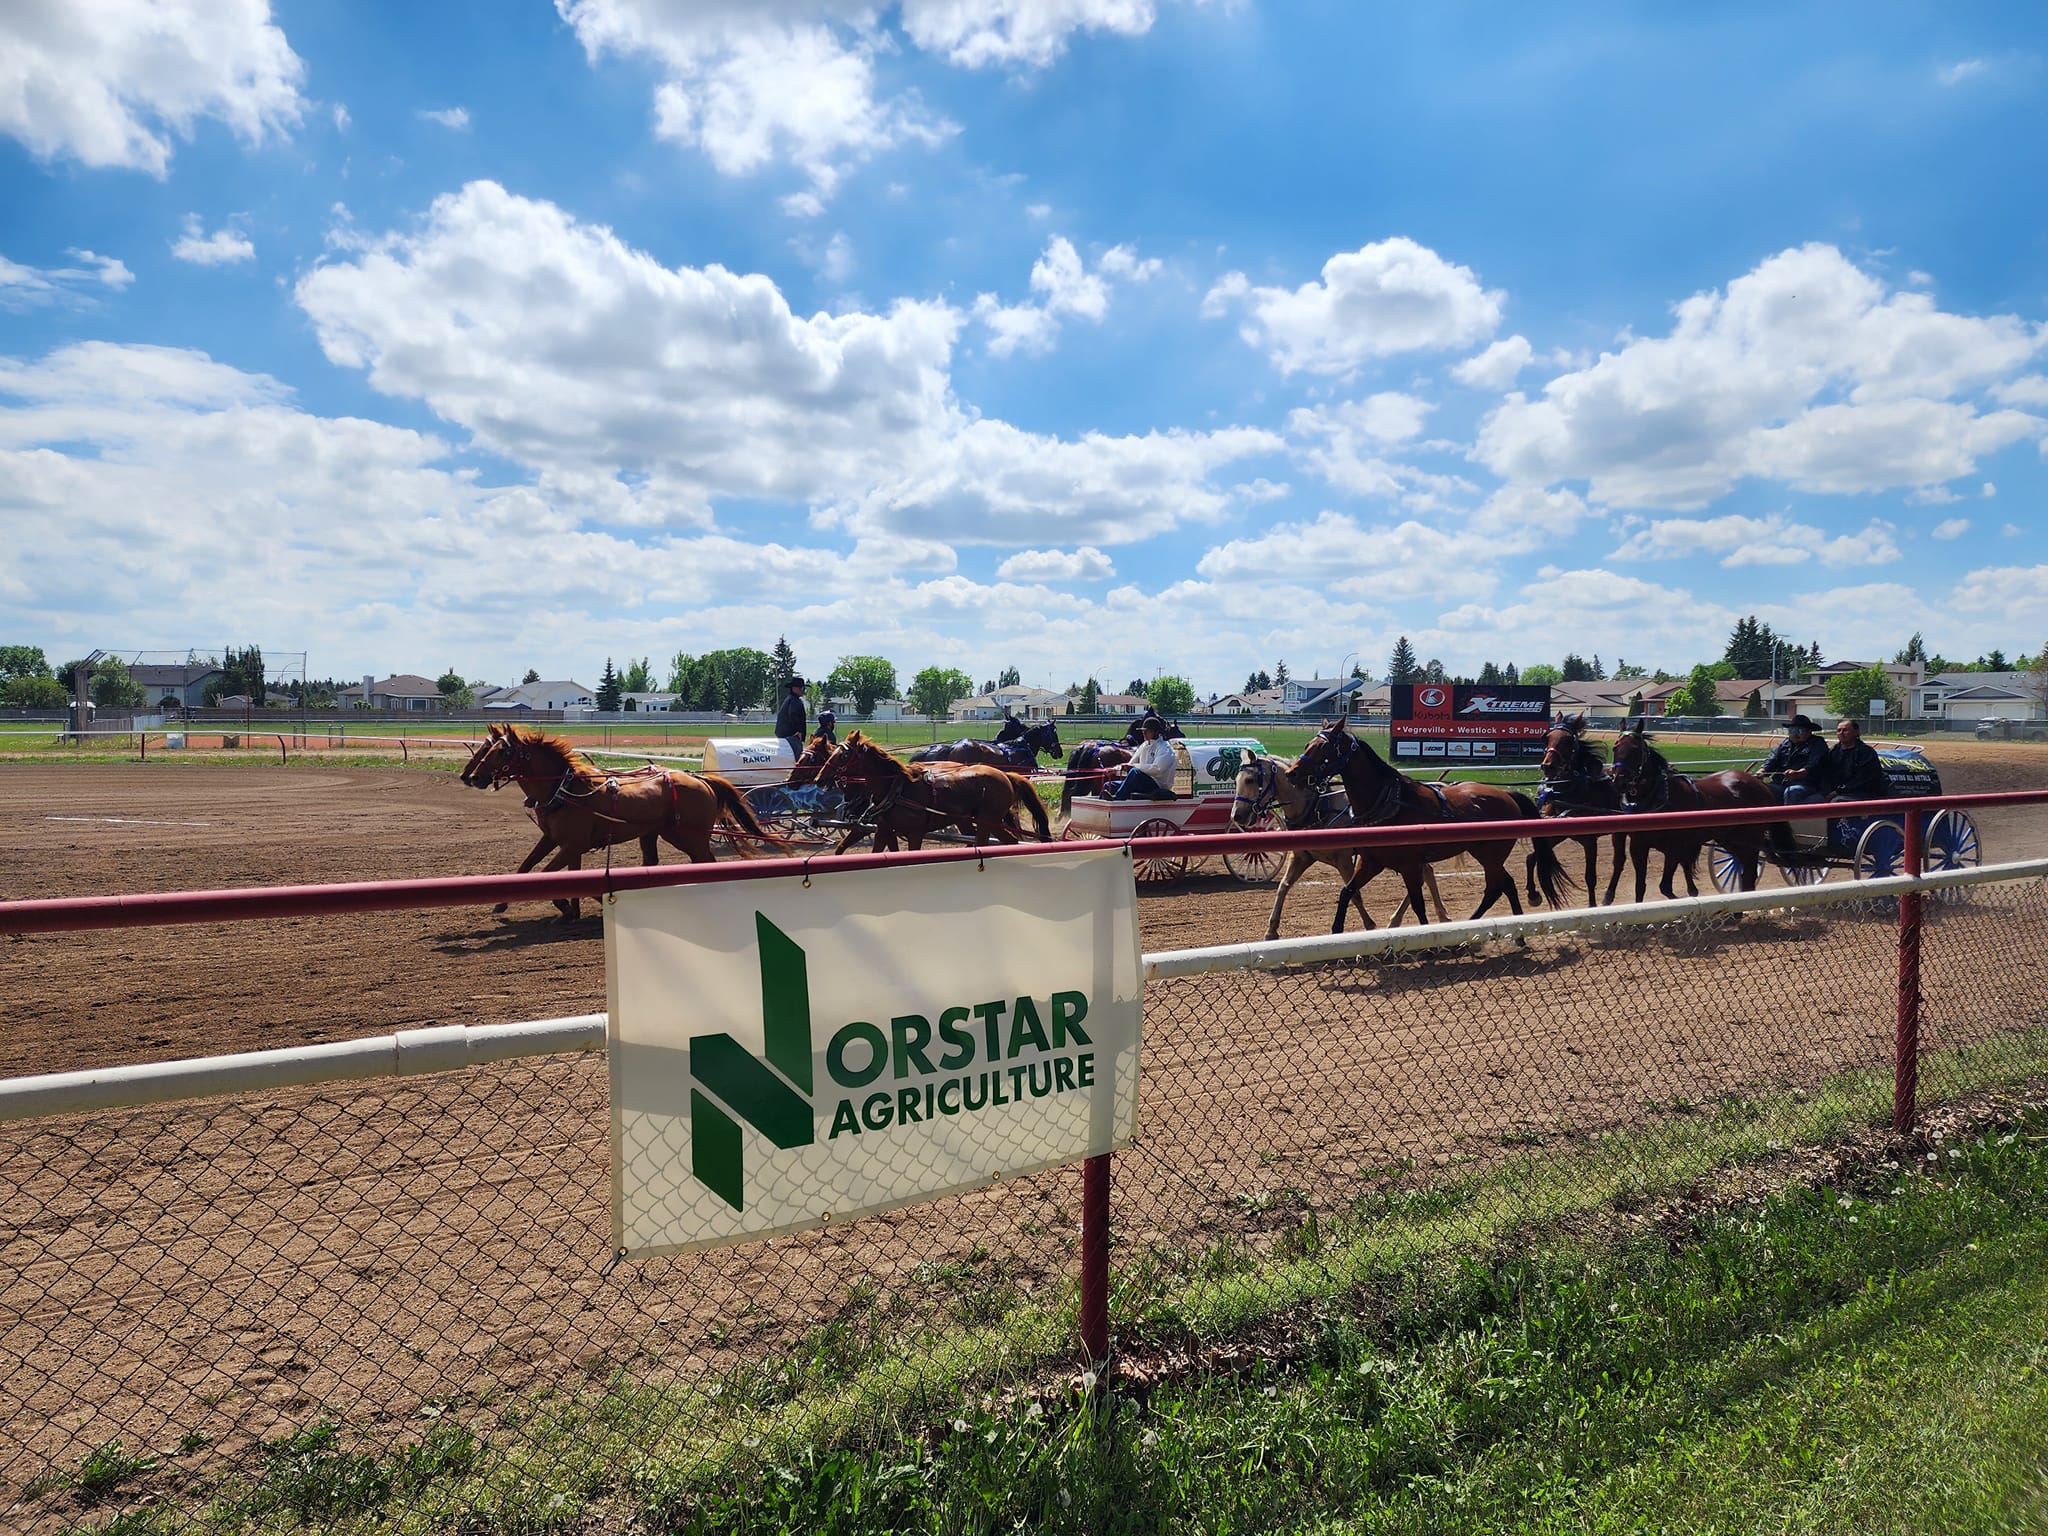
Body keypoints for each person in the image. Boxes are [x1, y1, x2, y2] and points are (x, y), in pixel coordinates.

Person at [1759, 714, 1832, 853]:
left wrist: (1799, 773)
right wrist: (1762, 771)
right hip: (1782, 784)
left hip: (1810, 785)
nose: (1795, 734)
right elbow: (1771, 760)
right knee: (1763, 790)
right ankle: (1765, 826)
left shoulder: (1818, 744)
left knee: (1792, 792)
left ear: (1809, 732)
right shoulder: (1784, 744)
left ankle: (1791, 834)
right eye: (1792, 731)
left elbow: (1814, 764)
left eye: (1799, 731)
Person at [1109, 717, 1177, 800]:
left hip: (1158, 786)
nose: (1143, 733)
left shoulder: (1165, 748)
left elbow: (1157, 769)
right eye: (1142, 731)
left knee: (1134, 772)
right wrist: (1115, 770)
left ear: (1155, 732)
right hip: (1143, 782)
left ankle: (1117, 800)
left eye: (1146, 731)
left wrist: (1135, 767)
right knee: (1109, 785)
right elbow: (1130, 764)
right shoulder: (1144, 746)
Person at [1827, 717, 1887, 801]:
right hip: (1837, 791)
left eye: (1845, 730)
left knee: (1837, 801)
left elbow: (1864, 779)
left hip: (1863, 792)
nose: (1841, 733)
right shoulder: (1833, 752)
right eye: (1839, 730)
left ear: (1856, 732)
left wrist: (1839, 791)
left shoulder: (1866, 752)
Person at [775, 676, 808, 762]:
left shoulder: (789, 699)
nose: (803, 690)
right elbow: (793, 715)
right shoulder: (795, 701)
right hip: (792, 737)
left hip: (785, 736)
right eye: (802, 688)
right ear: (794, 688)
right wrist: (798, 731)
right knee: (798, 761)